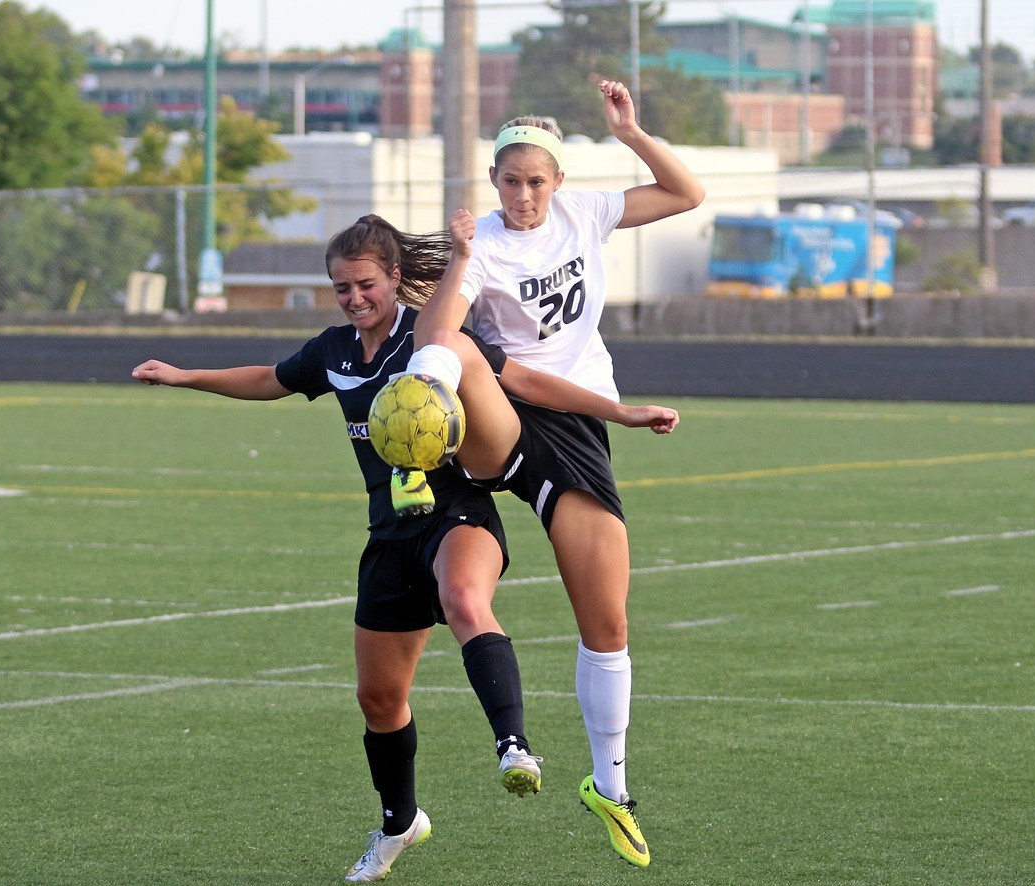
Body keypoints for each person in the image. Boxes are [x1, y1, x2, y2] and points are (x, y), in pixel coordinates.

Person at [132, 215, 671, 883]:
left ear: (394, 278)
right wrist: (184, 376)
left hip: (457, 515)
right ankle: (399, 824)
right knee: (380, 699)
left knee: (466, 599)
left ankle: (514, 748)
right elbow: (270, 378)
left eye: (365, 284)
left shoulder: (431, 338)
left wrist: (620, 412)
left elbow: (523, 382)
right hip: (389, 535)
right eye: (341, 288)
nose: (355, 298)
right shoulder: (332, 351)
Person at [404, 79, 705, 869]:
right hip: (503, 417)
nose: (525, 194)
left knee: (607, 624)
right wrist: (462, 258)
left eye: (537, 180)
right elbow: (438, 330)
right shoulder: (487, 245)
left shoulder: (586, 213)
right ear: (495, 182)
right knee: (458, 352)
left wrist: (631, 131)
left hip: (576, 425)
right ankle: (423, 421)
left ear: (559, 182)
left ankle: (610, 787)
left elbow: (684, 192)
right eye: (511, 180)